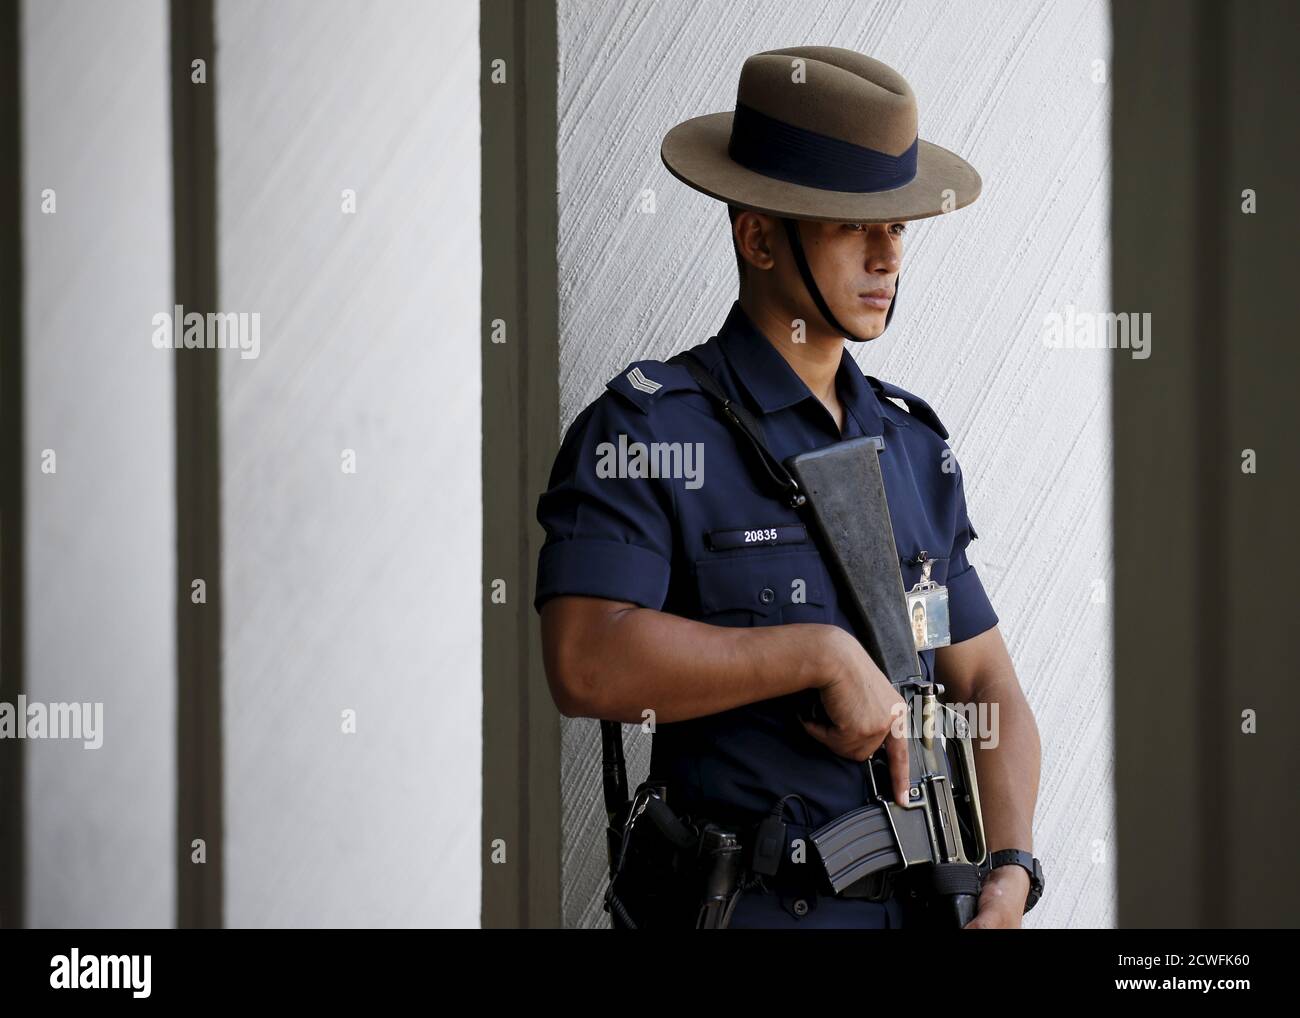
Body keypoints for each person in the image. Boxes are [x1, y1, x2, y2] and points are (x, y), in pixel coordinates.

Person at [534, 46, 1042, 929]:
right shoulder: (654, 432)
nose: (888, 255)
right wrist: (817, 653)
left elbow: (985, 673)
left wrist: (1012, 868)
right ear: (758, 235)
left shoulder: (912, 446)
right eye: (853, 226)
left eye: (898, 226)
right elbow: (583, 661)